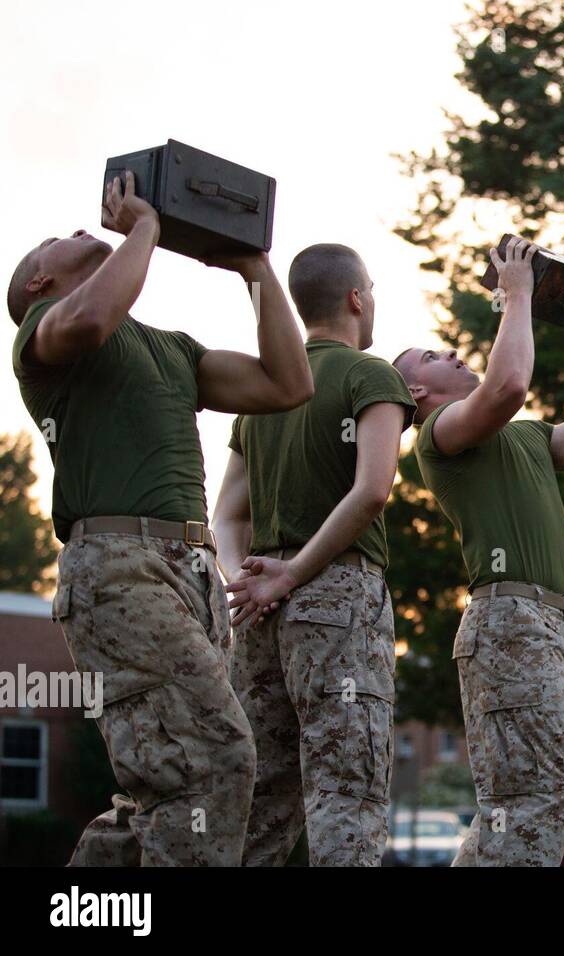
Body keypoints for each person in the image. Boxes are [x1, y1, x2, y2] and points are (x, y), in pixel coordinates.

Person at [8, 172, 313, 865]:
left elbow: (288, 383)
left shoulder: (172, 348)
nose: (78, 232)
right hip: (118, 569)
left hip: (193, 575)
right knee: (216, 758)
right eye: (56, 242)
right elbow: (89, 319)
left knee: (170, 782)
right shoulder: (45, 332)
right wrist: (145, 227)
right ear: (35, 285)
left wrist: (254, 269)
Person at [393, 236, 564, 865]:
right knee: (531, 795)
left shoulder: (529, 438)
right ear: (418, 394)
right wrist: (517, 292)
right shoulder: (439, 434)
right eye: (431, 354)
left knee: (539, 794)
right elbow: (507, 386)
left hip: (548, 625)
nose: (450, 350)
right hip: (508, 622)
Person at [214, 243, 416, 866]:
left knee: (262, 797)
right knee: (346, 789)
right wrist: (295, 574)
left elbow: (225, 513)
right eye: (372, 290)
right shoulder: (371, 374)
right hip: (337, 598)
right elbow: (374, 488)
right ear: (357, 298)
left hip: (259, 616)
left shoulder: (267, 387)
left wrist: (247, 581)